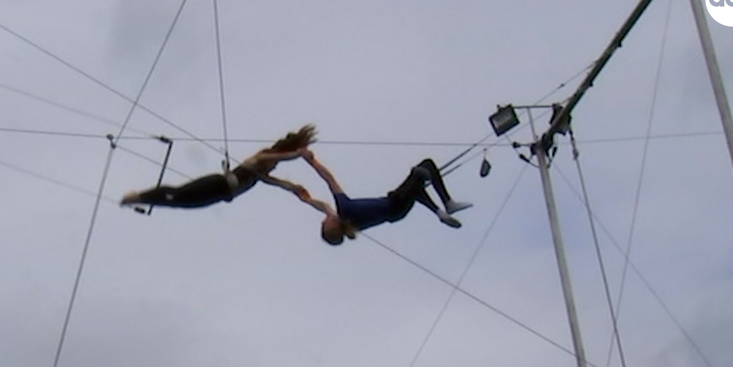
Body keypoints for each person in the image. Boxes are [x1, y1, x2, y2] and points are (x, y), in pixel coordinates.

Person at [285, 148, 472, 245]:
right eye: (324, 224)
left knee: (419, 182)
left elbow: (325, 207)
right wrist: (312, 161)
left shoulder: (350, 224)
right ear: (333, 226)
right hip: (394, 204)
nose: (323, 221)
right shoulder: (345, 209)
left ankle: (442, 210)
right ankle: (446, 205)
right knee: (421, 171)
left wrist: (307, 200)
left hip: (396, 210)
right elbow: (329, 180)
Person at [119, 124, 317, 209]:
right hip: (218, 184)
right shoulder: (264, 156)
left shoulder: (264, 170)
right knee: (179, 195)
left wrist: (293, 187)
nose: (273, 167)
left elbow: (272, 181)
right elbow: (271, 161)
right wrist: (297, 154)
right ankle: (139, 197)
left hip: (221, 193)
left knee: (183, 203)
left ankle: (141, 199)